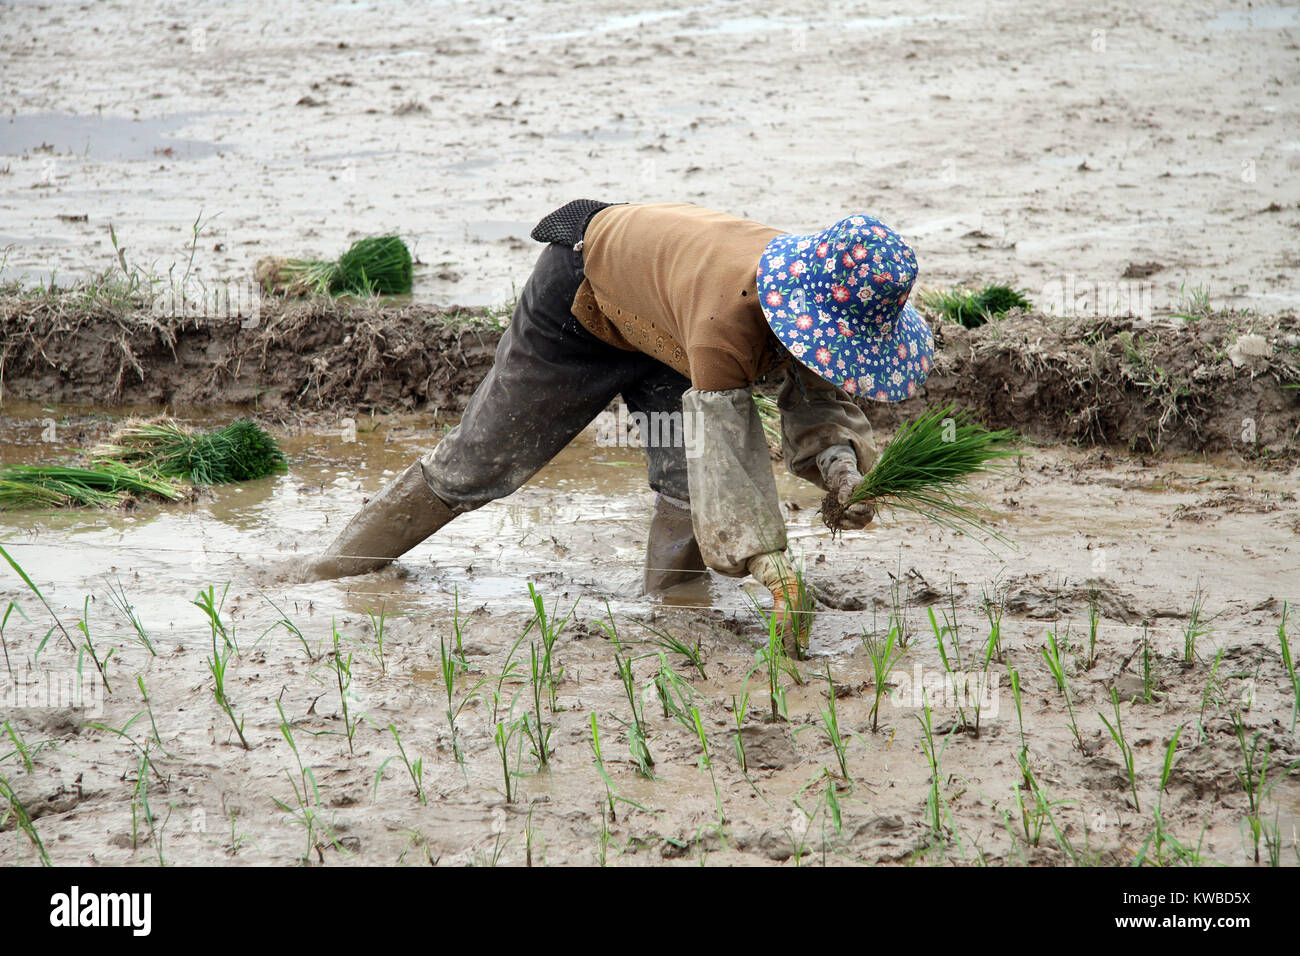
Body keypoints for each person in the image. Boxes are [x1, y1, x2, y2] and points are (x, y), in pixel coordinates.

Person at [295, 201, 934, 652]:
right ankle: (337, 571)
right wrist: (769, 566)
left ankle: (676, 609)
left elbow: (815, 391)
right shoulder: (728, 325)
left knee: (682, 475)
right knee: (483, 461)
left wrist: (842, 470)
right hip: (582, 298)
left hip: (663, 323)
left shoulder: (816, 284)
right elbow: (729, 467)